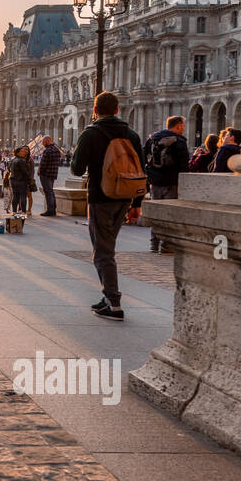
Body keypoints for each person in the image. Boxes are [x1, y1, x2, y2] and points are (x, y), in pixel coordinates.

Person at [69, 91, 146, 322]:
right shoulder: (131, 135)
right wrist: (137, 204)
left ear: (95, 110)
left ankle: (113, 302)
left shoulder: (90, 134)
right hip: (125, 197)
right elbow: (141, 170)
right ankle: (107, 297)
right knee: (107, 247)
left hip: (100, 196)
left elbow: (76, 169)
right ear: (117, 110)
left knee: (103, 252)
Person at [143, 115, 191, 254]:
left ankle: (154, 243)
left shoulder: (152, 139)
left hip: (155, 182)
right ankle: (167, 245)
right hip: (172, 181)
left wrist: (150, 176)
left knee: (156, 213)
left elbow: (144, 157)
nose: (184, 128)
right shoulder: (179, 141)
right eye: (183, 125)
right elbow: (184, 164)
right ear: (178, 126)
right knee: (170, 214)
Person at [37, 136, 62, 216]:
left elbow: (43, 163)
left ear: (47, 141)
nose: (42, 144)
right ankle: (53, 208)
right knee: (51, 191)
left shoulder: (47, 150)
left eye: (43, 142)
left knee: (48, 192)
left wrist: (39, 171)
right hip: (53, 173)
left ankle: (50, 210)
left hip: (45, 174)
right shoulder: (57, 150)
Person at [7, 146, 33, 214]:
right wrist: (28, 179)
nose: (23, 152)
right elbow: (25, 172)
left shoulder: (13, 160)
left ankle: (14, 211)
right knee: (23, 196)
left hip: (13, 180)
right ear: (18, 153)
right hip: (21, 181)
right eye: (21, 151)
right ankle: (23, 211)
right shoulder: (22, 160)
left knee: (15, 196)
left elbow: (9, 169)